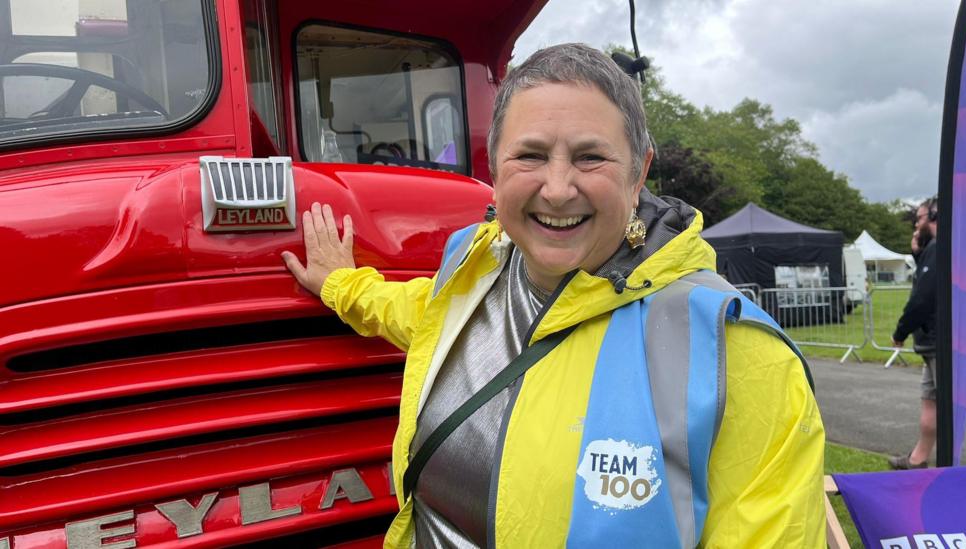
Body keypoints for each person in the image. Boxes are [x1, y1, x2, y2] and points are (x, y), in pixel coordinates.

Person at [283, 43, 824, 548]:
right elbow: (416, 314)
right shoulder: (474, 272)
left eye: (591, 157)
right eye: (531, 156)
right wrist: (339, 283)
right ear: (494, 166)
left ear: (639, 173)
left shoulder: (742, 359)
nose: (559, 188)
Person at [889, 198, 966, 469]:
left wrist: (900, 331)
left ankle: (925, 460)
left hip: (946, 343)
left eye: (921, 217)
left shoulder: (941, 247)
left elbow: (923, 299)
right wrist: (917, 254)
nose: (917, 223)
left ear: (936, 215)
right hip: (934, 343)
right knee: (930, 402)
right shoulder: (937, 249)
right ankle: (918, 459)